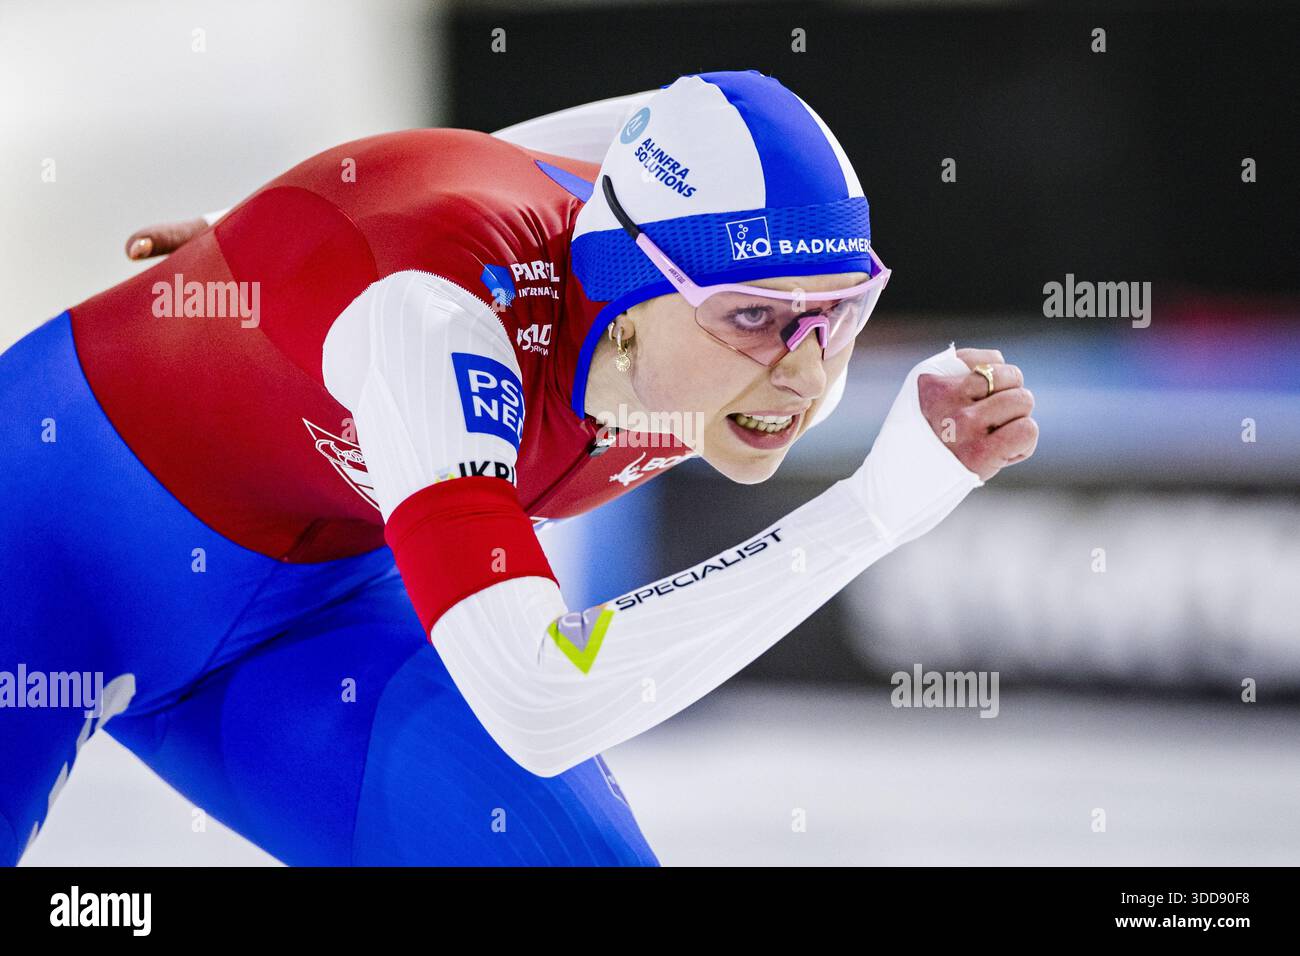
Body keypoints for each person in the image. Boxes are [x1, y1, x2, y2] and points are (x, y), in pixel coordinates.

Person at [0, 70, 1037, 866]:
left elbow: (582, 146)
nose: (803, 371)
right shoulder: (434, 324)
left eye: (838, 312)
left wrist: (274, 248)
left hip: (314, 615)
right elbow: (542, 698)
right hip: (48, 542)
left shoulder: (664, 261)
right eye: (753, 316)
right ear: (628, 287)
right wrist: (868, 513)